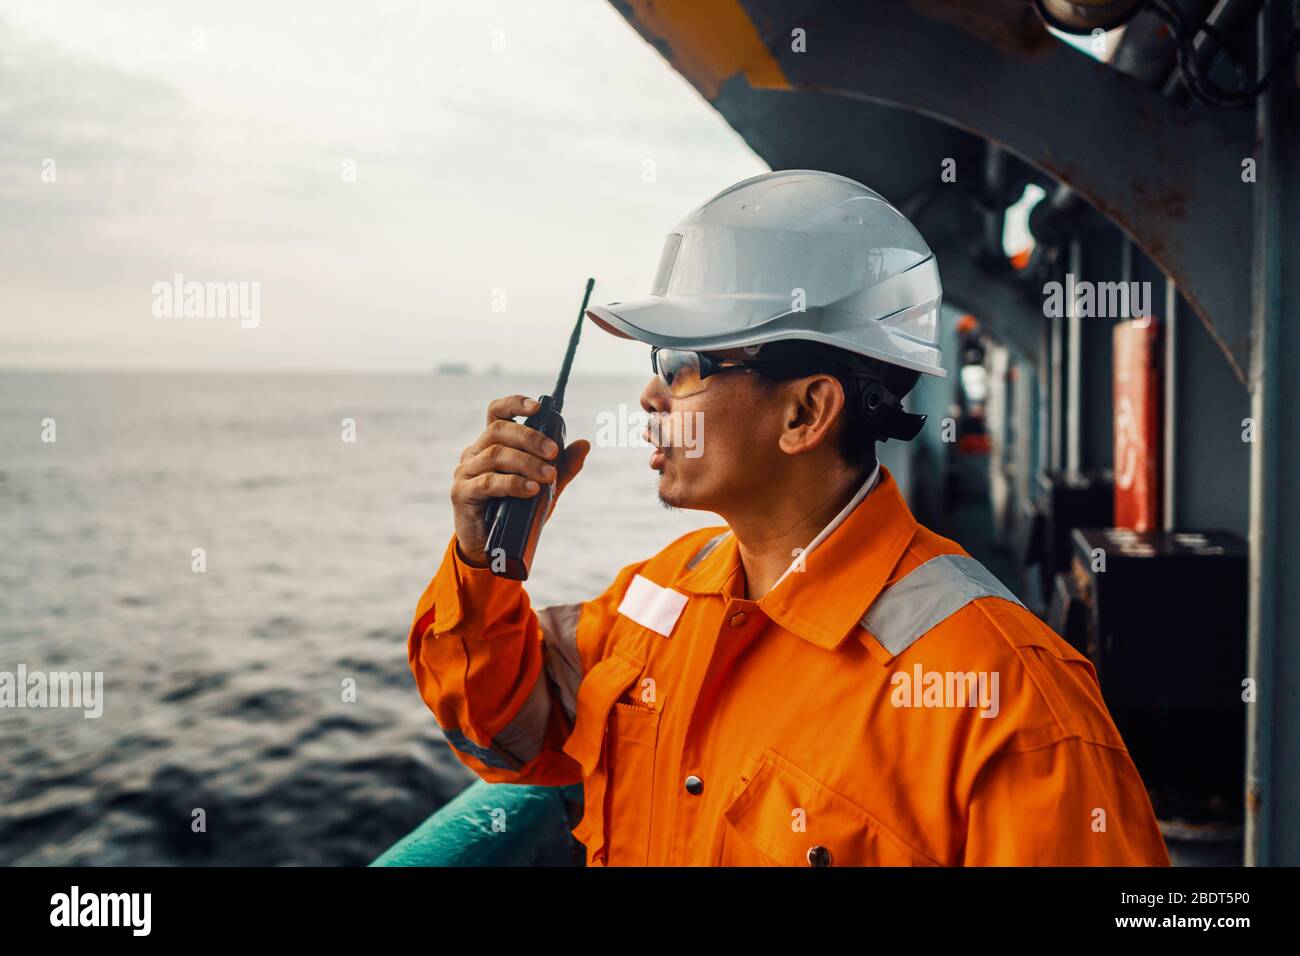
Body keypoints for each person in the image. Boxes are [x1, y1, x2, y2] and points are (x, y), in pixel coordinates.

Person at [407, 170, 1170, 866]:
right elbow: (510, 733)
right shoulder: (663, 593)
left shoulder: (1010, 705)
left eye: (684, 365)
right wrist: (484, 563)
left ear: (805, 411)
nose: (652, 398)